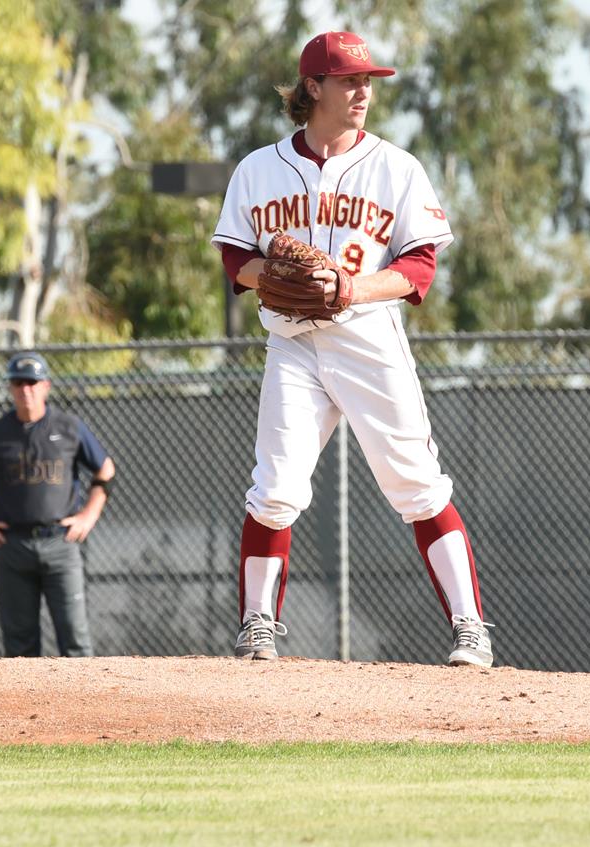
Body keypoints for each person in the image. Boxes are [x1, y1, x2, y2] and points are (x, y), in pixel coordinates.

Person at [211, 30, 493, 667]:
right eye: (350, 81)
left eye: (368, 81)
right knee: (274, 490)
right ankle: (257, 625)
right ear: (313, 87)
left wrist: (350, 287)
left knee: (416, 484)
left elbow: (419, 268)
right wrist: (272, 275)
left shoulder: (396, 167)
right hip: (292, 343)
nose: (364, 91)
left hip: (368, 338)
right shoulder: (258, 169)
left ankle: (470, 626)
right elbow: (235, 259)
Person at [0, 352, 115, 657]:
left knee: (76, 641)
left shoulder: (69, 427)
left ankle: (81, 692)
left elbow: (105, 469)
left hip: (60, 542)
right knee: (19, 647)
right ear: (10, 388)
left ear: (46, 386)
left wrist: (88, 516)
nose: (25, 389)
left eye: (32, 382)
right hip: (12, 546)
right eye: (18, 383)